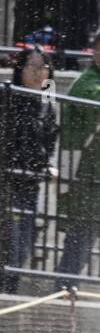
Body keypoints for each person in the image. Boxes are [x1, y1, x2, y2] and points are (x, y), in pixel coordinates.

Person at [0, 46, 57, 294]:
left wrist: (45, 163)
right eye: (32, 67)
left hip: (30, 182)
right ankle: (1, 293)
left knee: (22, 245)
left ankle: (6, 292)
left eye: (43, 67)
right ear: (20, 69)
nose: (39, 73)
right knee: (10, 243)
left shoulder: (47, 97)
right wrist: (16, 162)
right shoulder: (8, 94)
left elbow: (50, 135)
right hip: (5, 179)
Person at [54, 30, 100, 290]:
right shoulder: (87, 83)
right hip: (85, 179)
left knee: (81, 245)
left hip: (92, 179)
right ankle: (62, 293)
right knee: (78, 244)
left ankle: (66, 290)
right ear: (95, 51)